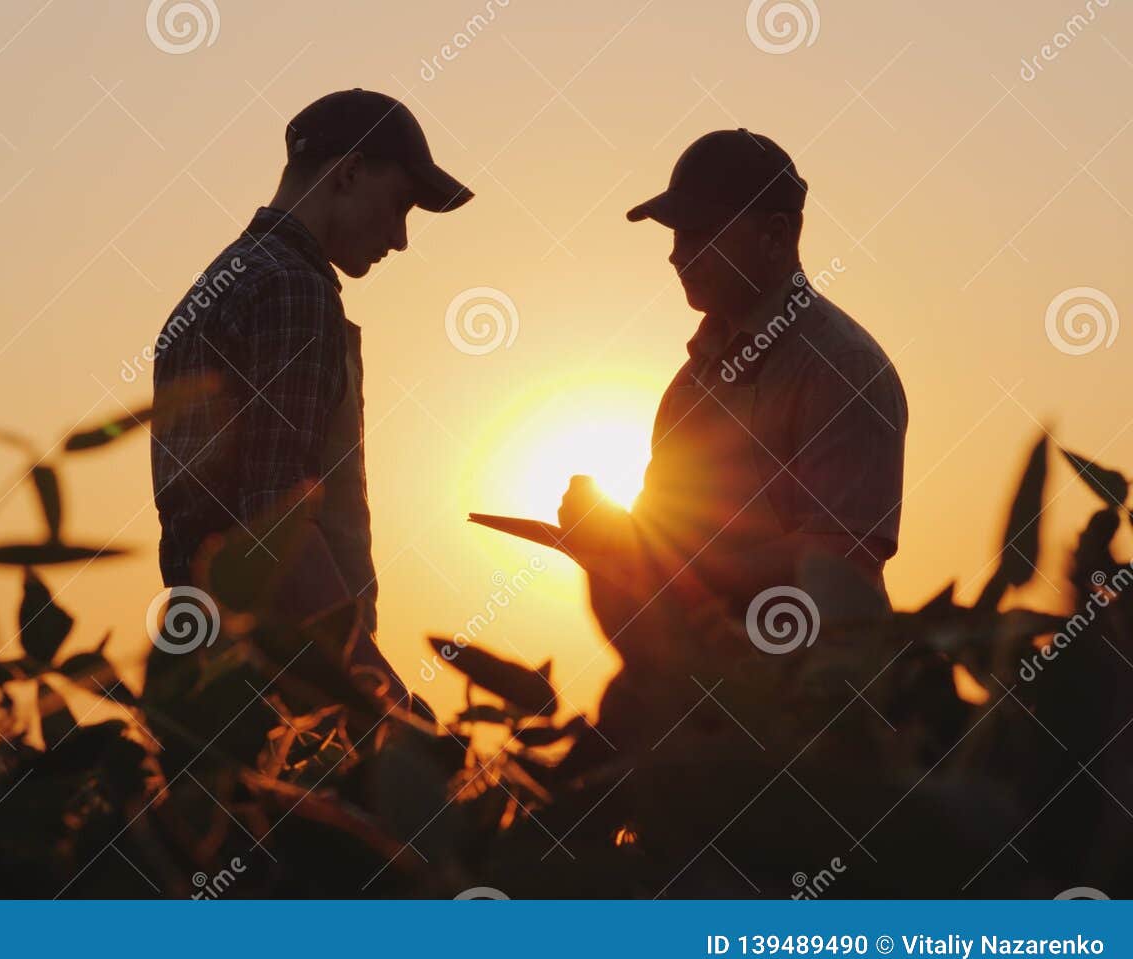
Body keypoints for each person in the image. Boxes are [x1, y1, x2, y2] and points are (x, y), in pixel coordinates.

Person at [150, 89, 472, 697]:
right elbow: (278, 530)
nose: (402, 239)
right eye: (400, 205)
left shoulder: (208, 292)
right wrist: (380, 700)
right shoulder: (295, 289)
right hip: (284, 679)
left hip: (199, 660)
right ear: (348, 172)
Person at [558, 129, 908, 657]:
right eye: (676, 236)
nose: (678, 256)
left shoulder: (843, 369)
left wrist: (667, 563)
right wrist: (608, 536)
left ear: (775, 234)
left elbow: (840, 567)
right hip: (701, 697)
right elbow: (664, 539)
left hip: (816, 709)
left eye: (700, 234)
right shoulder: (689, 383)